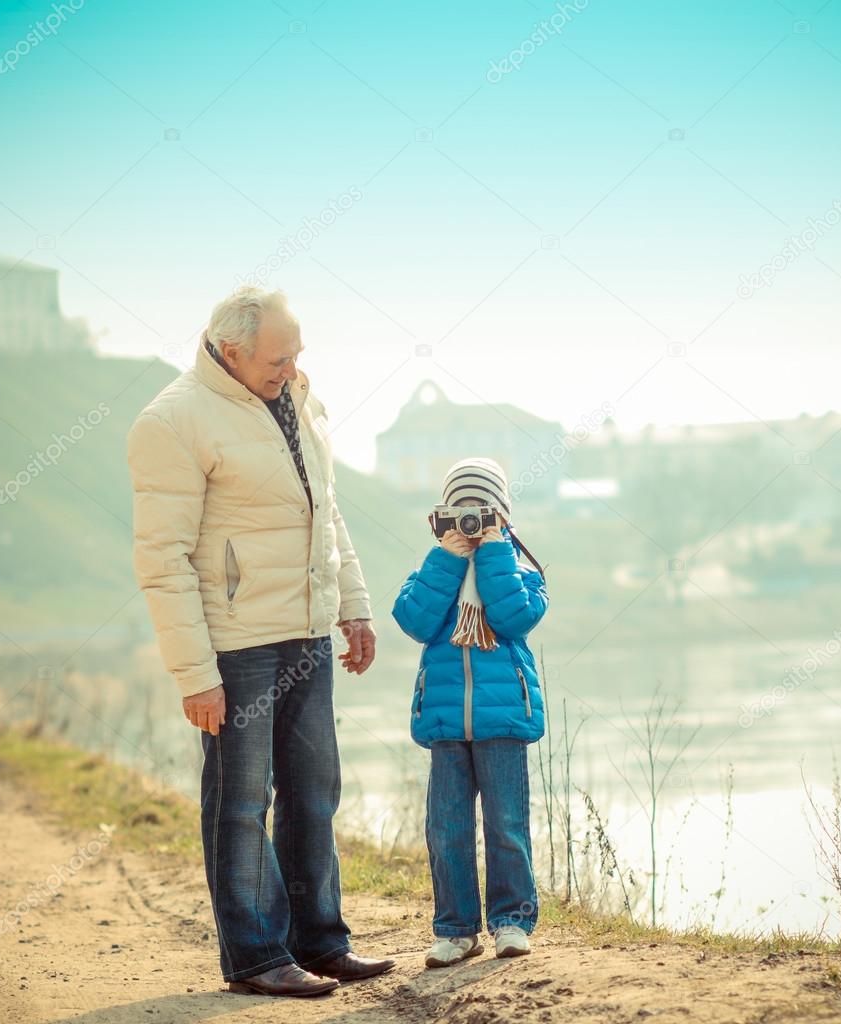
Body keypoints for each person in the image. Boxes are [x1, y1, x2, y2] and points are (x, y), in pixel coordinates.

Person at [127, 287, 394, 998]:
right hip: (237, 644)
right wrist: (195, 673)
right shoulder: (173, 420)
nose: (292, 368)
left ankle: (320, 942)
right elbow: (162, 559)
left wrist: (354, 608)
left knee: (313, 792)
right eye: (278, 358)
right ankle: (255, 956)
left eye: (296, 353)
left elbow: (325, 513)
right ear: (231, 351)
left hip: (307, 629)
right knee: (242, 802)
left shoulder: (299, 399)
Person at [391, 457, 548, 967]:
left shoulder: (523, 572)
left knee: (507, 825)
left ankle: (511, 922)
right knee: (446, 829)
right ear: (443, 516)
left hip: (503, 721)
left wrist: (495, 552)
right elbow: (415, 621)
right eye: (460, 511)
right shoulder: (433, 567)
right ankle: (456, 929)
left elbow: (515, 617)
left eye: (481, 512)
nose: (470, 522)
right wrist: (448, 559)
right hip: (444, 723)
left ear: (501, 515)